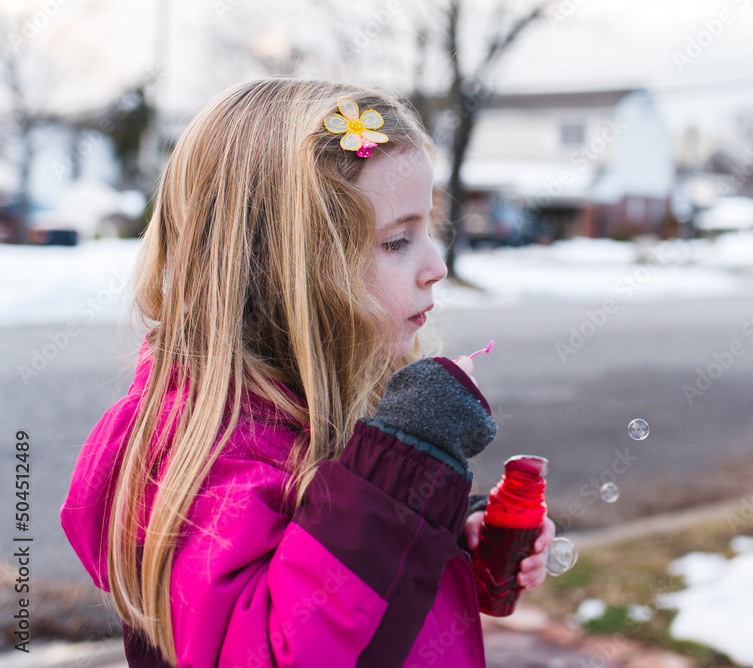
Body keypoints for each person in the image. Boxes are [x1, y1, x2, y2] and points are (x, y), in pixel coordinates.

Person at [60, 78, 556, 668]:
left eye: (430, 229)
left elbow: (348, 572)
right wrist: (407, 461)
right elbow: (279, 649)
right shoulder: (208, 460)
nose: (437, 266)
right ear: (283, 274)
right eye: (397, 241)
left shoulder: (336, 399)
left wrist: (451, 529)